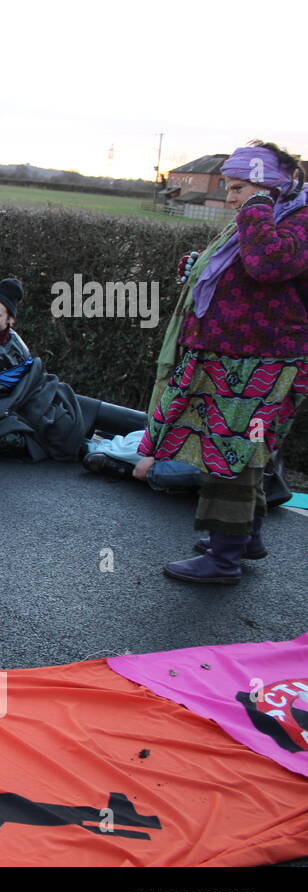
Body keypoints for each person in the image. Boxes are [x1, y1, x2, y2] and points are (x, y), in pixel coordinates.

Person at [135, 142, 308, 585]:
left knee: (230, 452)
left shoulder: (298, 218)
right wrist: (202, 267)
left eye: (239, 187)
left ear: (267, 184)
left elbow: (268, 263)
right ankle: (242, 538)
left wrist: (256, 206)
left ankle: (223, 558)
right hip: (233, 357)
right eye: (231, 189)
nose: (231, 197)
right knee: (243, 450)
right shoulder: (274, 217)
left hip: (260, 361)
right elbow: (247, 269)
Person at [0, 278, 147, 462]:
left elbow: (31, 383)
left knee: (71, 405)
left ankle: (155, 427)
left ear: (10, 319)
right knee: (22, 439)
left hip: (17, 404)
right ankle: (98, 452)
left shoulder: (16, 345)